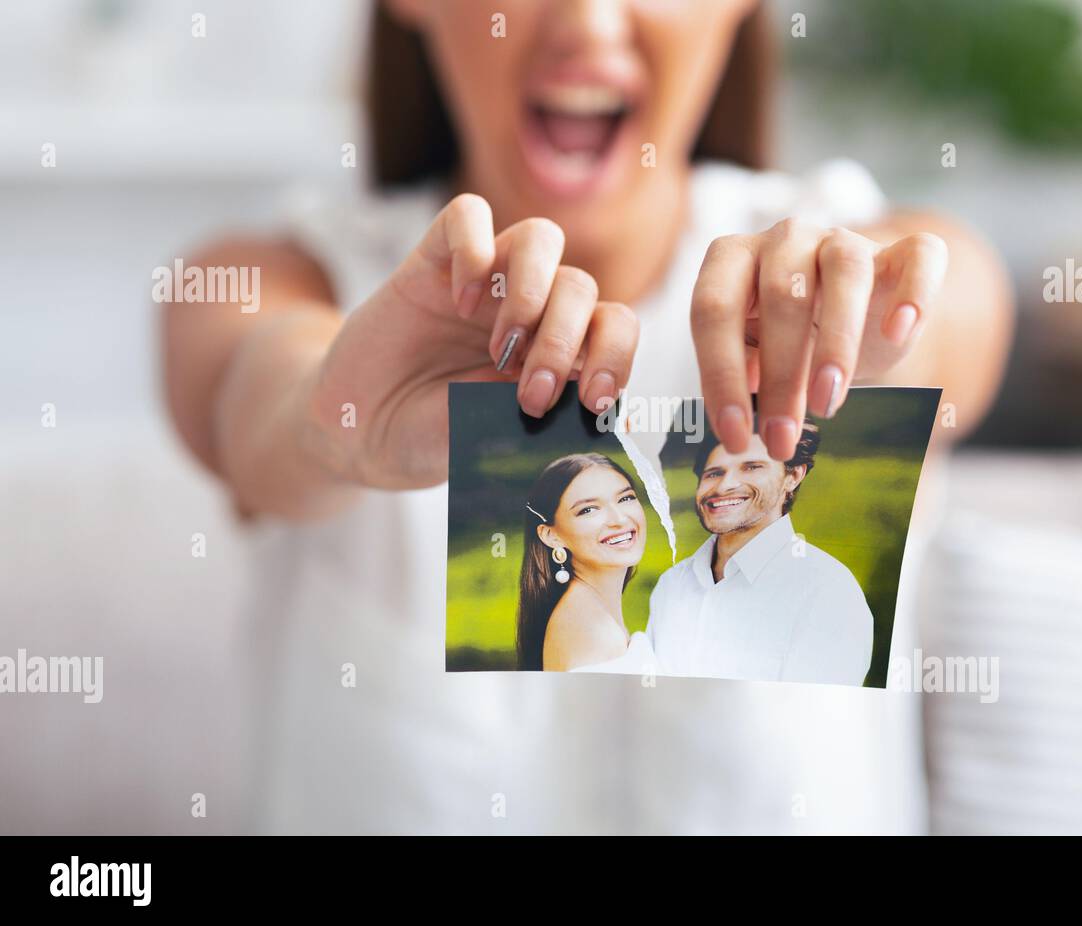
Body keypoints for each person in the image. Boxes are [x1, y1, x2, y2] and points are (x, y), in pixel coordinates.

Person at [162, 0, 1013, 833]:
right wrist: (331, 428)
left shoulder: (841, 258)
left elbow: (957, 308)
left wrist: (864, 328)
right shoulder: (281, 280)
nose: (588, 21)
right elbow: (255, 395)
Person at [648, 422, 873, 685]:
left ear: (793, 476)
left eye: (752, 467)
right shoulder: (672, 584)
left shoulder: (827, 590)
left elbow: (817, 718)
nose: (724, 486)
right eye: (713, 473)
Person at [515, 453, 654, 674]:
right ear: (551, 535)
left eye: (625, 498)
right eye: (588, 510)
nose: (619, 519)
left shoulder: (584, 613)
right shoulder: (595, 631)